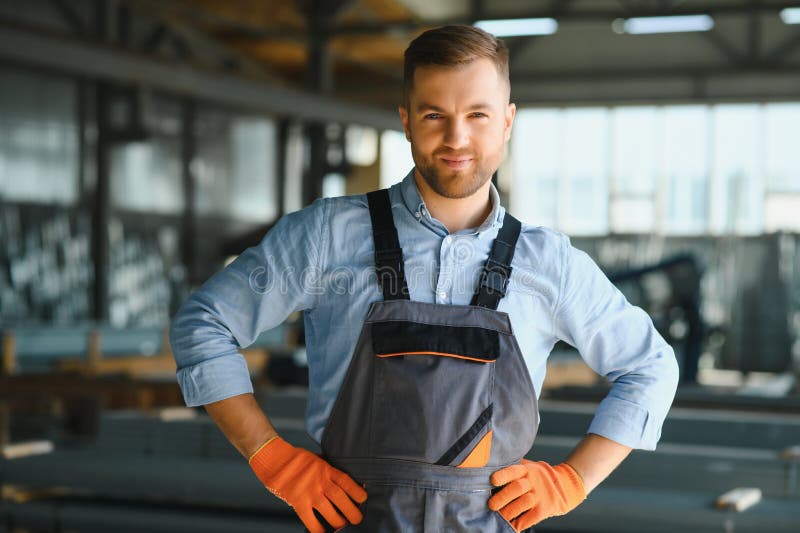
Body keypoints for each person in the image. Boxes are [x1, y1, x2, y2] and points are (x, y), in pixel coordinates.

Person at [170, 25, 679, 533]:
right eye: (435, 115)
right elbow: (203, 323)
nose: (456, 139)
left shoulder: (550, 264)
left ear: (507, 122)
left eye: (477, 115)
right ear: (407, 121)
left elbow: (651, 368)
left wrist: (573, 480)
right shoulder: (326, 236)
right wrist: (271, 458)